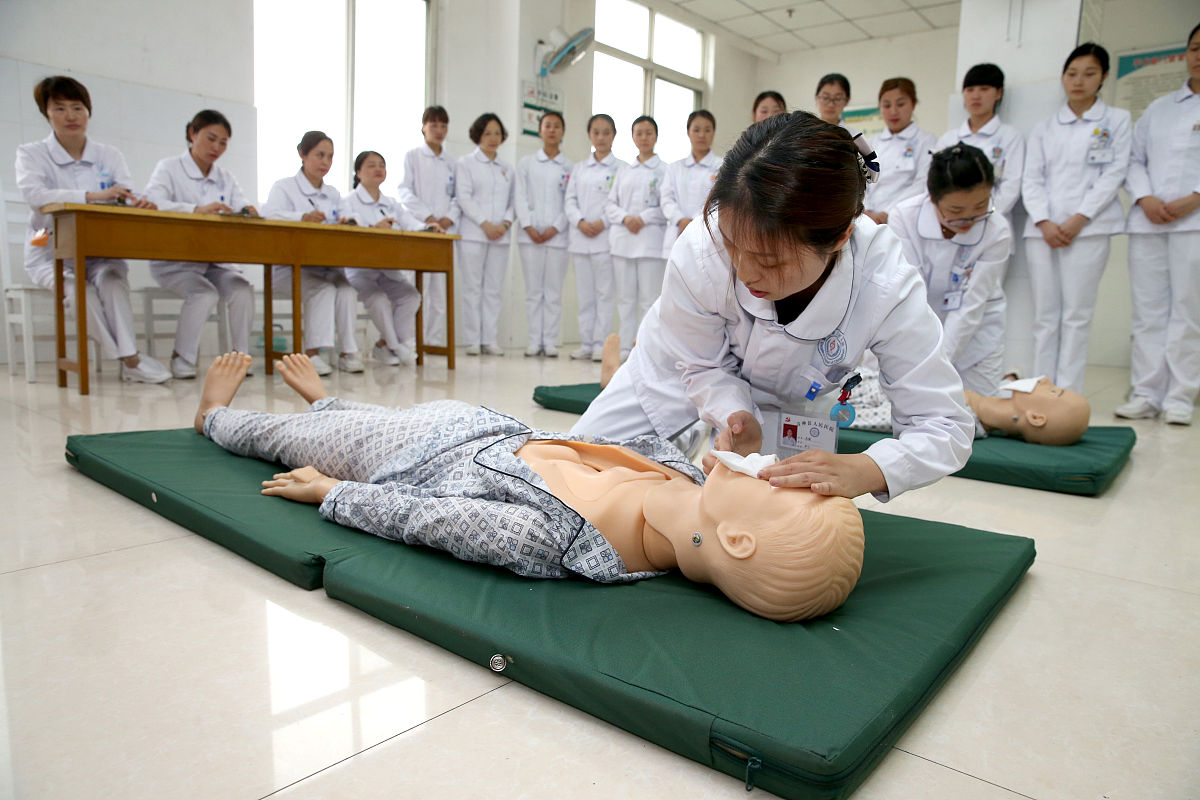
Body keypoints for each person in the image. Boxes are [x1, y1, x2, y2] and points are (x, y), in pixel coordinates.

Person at [194, 352, 866, 622]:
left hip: (410, 462)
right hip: (483, 424)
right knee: (370, 417)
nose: (782, 471)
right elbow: (637, 432)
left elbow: (432, 520)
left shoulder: (569, 543)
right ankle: (330, 403)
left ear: (739, 540)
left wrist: (332, 495)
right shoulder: (688, 476)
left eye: (785, 488)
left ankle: (215, 415)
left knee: (277, 437)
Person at [574, 112, 974, 502]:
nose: (746, 272)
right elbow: (699, 365)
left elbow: (945, 425)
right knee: (572, 477)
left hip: (790, 407)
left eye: (769, 261)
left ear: (839, 238)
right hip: (672, 372)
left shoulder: (885, 282)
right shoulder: (700, 247)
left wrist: (867, 468)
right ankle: (619, 375)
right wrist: (736, 414)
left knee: (776, 523)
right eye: (732, 246)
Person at [15, 75, 170, 383]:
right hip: (43, 241)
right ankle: (130, 359)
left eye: (77, 107)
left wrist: (136, 202)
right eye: (59, 108)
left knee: (113, 280)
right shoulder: (31, 153)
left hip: (98, 246)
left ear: (88, 112)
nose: (70, 116)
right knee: (77, 289)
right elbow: (33, 197)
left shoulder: (108, 155)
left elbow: (124, 192)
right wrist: (91, 197)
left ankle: (130, 359)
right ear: (46, 113)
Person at [1022, 43, 1131, 393]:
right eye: (1072, 73)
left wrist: (1078, 218)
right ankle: (1041, 388)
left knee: (1076, 315)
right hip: (1043, 231)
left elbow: (1115, 172)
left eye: (1089, 73)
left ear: (1103, 78)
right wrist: (1045, 221)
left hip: (1089, 229)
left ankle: (1068, 393)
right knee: (1045, 315)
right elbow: (1032, 178)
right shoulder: (1045, 128)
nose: (1079, 81)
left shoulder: (1117, 121)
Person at [1115, 22, 1200, 426]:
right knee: (1148, 312)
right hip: (1148, 221)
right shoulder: (1160, 108)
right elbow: (1134, 159)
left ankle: (1181, 396)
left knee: (1189, 311)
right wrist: (1146, 197)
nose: (1199, 55)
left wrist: (1194, 199)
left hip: (1195, 223)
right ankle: (1146, 392)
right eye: (1196, 47)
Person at [889, 145, 1011, 395]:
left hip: (976, 335)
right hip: (914, 329)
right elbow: (911, 295)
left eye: (980, 207)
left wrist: (937, 365)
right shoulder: (904, 217)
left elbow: (971, 308)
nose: (969, 220)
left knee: (975, 415)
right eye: (956, 212)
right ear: (932, 199)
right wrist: (923, 364)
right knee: (904, 405)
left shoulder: (997, 230)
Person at [143, 109, 256, 379]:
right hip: (175, 262)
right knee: (203, 294)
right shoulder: (169, 168)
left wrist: (246, 210)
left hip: (214, 261)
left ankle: (240, 358)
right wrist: (195, 209)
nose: (216, 147)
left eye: (223, 142)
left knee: (242, 289)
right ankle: (182, 358)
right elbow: (152, 202)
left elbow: (239, 203)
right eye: (211, 138)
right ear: (192, 134)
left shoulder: (225, 178)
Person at [262, 131, 361, 375]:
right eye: (319, 155)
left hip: (324, 266)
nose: (325, 162)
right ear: (302, 154)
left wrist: (347, 222)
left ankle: (348, 353)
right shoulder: (284, 187)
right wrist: (302, 217)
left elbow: (347, 218)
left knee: (347, 288)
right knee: (324, 290)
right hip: (287, 269)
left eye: (330, 157)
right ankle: (312, 353)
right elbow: (269, 215)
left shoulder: (333, 194)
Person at [340, 150, 433, 367]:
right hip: (359, 271)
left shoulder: (391, 203)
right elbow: (350, 225)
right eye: (371, 165)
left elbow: (410, 222)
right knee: (379, 298)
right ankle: (396, 345)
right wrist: (373, 227)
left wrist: (427, 228)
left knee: (411, 296)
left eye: (381, 165)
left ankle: (384, 345)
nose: (378, 169)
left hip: (388, 268)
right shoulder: (348, 201)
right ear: (359, 172)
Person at [850, 369, 1090, 446]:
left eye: (1053, 391)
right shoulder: (984, 398)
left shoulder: (948, 418)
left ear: (1036, 417)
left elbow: (854, 416)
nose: (1045, 380)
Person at [397, 106, 461, 348]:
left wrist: (447, 218)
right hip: (421, 230)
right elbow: (405, 190)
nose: (439, 130)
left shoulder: (452, 163)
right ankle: (410, 340)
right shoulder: (412, 156)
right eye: (433, 125)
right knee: (415, 288)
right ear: (423, 127)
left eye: (443, 126)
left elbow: (458, 197)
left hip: (444, 233)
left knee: (439, 293)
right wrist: (429, 217)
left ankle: (432, 341)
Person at [605, 115, 667, 361]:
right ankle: (624, 347)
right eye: (639, 133)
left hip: (649, 240)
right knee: (626, 299)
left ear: (656, 136)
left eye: (649, 133)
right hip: (623, 241)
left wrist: (643, 217)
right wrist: (625, 218)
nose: (644, 138)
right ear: (632, 137)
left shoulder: (665, 170)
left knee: (649, 299)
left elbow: (666, 203)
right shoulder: (624, 170)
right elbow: (610, 203)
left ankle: (644, 346)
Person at [564, 113, 624, 362]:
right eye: (596, 132)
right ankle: (586, 343)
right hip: (580, 238)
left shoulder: (621, 169)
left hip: (605, 239)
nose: (601, 137)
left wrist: (602, 222)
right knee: (585, 295)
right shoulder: (579, 168)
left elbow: (620, 201)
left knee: (604, 294)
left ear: (613, 136)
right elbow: (570, 200)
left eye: (606, 132)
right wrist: (580, 221)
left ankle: (601, 344)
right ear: (590, 135)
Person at [455, 113, 515, 356]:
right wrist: (485, 223)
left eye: (497, 133)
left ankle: (489, 339)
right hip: (473, 234)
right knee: (472, 288)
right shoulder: (465, 163)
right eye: (487, 133)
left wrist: (505, 224)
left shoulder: (507, 168)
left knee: (494, 289)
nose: (493, 138)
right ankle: (472, 339)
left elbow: (513, 201)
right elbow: (464, 197)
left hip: (501, 236)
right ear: (478, 134)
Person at [515, 111, 573, 357]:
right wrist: (529, 225)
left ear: (562, 132)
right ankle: (533, 341)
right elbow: (520, 196)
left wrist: (555, 227)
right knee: (533, 292)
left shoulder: (569, 167)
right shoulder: (527, 163)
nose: (551, 130)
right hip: (529, 237)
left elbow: (570, 200)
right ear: (540, 130)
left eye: (556, 126)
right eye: (547, 126)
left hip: (557, 238)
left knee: (552, 292)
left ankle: (549, 341)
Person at [935, 64, 1025, 221]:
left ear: (999, 93)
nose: (975, 96)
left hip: (993, 220)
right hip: (951, 220)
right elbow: (933, 182)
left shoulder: (1010, 137)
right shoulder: (948, 139)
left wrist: (981, 214)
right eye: (970, 90)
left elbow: (1011, 185)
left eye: (984, 89)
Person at [863, 78, 937, 225]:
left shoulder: (927, 141)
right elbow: (861, 181)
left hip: (905, 219)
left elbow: (922, 183)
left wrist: (887, 213)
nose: (893, 111)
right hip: (868, 220)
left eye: (901, 104)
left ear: (913, 104)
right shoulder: (872, 142)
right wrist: (865, 211)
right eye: (887, 105)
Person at [660, 110, 722, 261]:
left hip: (708, 234)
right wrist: (680, 219)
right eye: (696, 130)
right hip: (677, 232)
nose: (702, 135)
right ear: (688, 132)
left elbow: (719, 199)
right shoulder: (674, 167)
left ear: (713, 133)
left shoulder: (722, 165)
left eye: (707, 130)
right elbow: (666, 199)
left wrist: (694, 222)